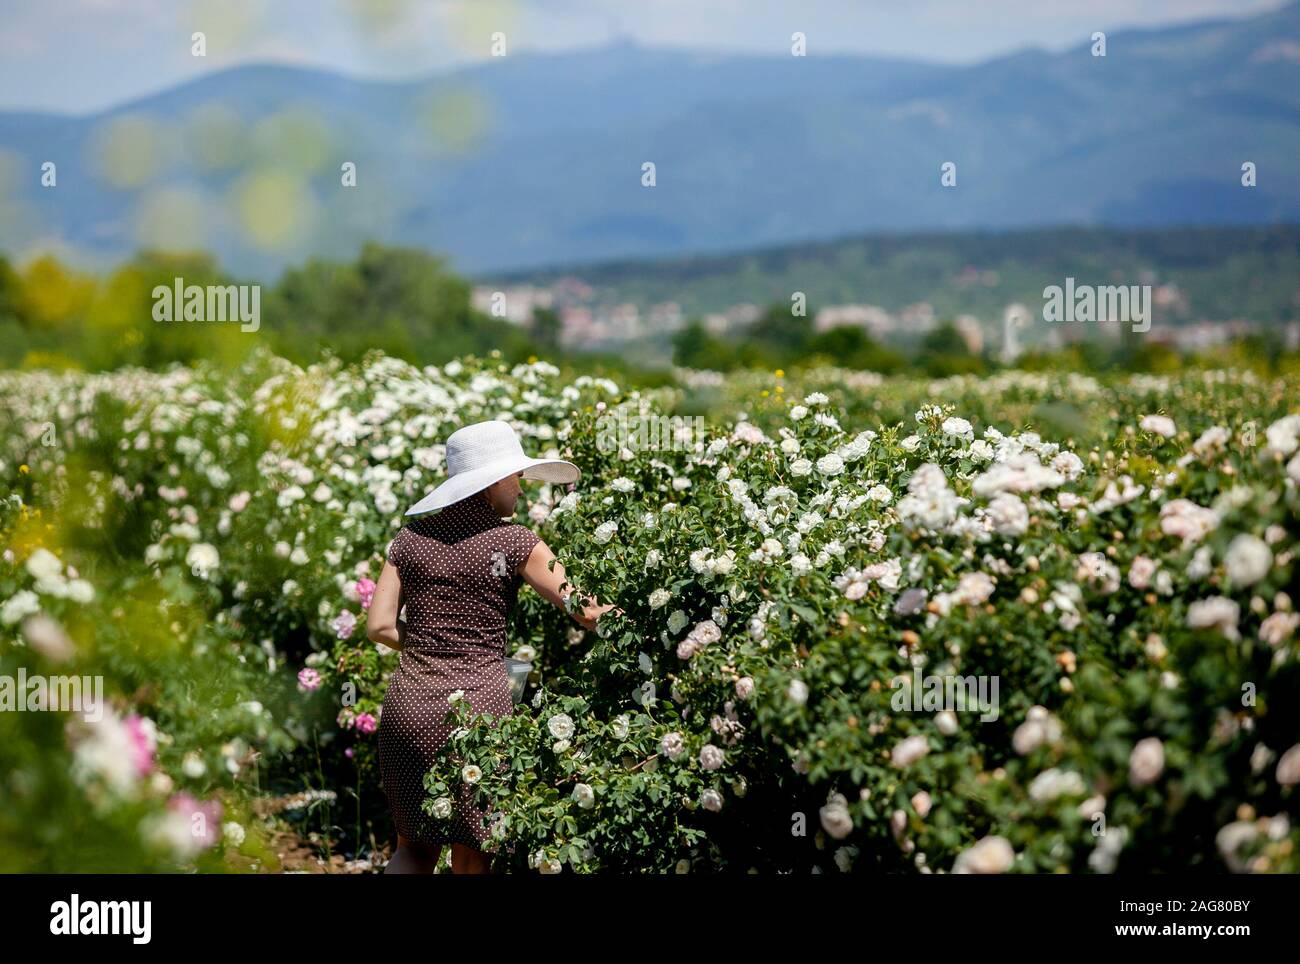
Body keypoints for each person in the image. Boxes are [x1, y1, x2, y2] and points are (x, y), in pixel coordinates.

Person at [366, 419, 615, 874]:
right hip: (478, 709)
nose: (521, 489)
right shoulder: (515, 541)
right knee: (474, 851)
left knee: (413, 850)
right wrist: (647, 631)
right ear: (493, 481)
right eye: (516, 478)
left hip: (408, 708)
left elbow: (380, 627)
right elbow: (584, 608)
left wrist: (428, 646)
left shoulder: (408, 541)